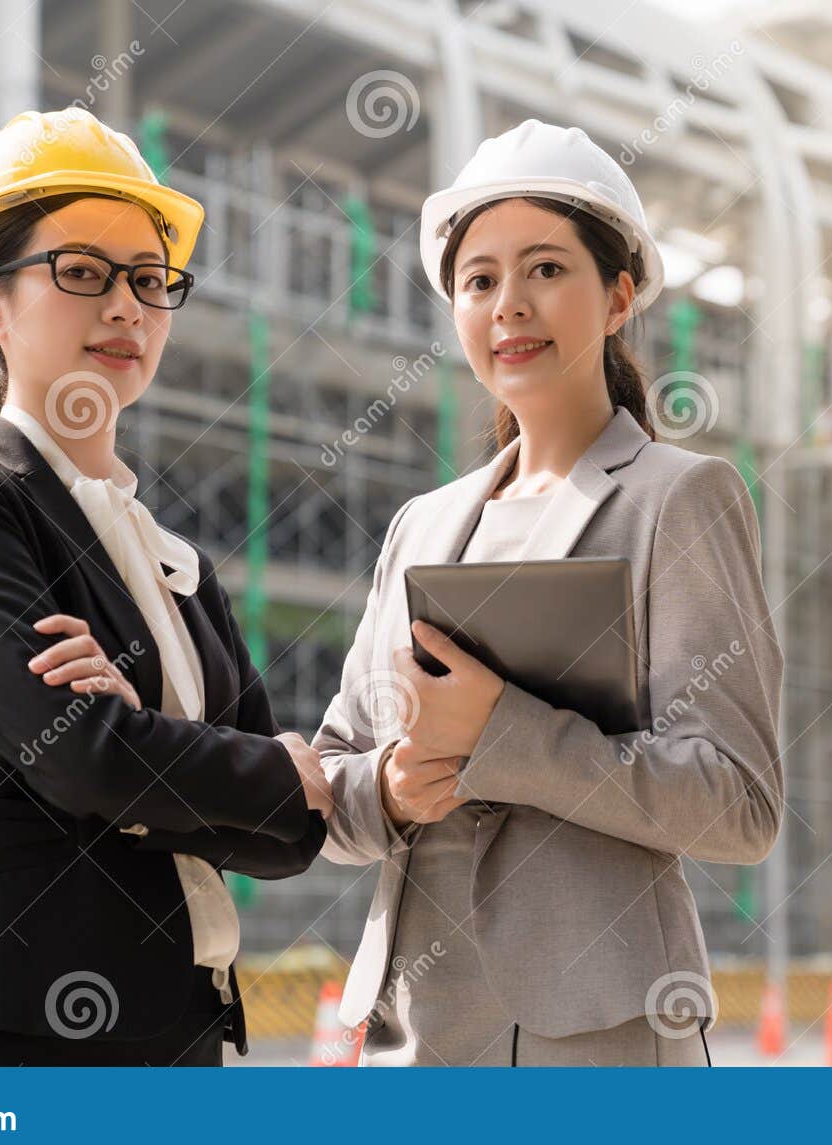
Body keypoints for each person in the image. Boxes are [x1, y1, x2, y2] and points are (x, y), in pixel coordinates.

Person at [314, 119, 784, 1065]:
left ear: (617, 297)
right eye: (479, 280)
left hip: (592, 1041)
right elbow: (335, 787)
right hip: (412, 1038)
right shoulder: (421, 526)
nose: (509, 305)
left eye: (546, 270)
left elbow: (739, 805)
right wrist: (398, 789)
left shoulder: (676, 498)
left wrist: (502, 735)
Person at [0, 109, 332, 1066]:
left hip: (183, 1035)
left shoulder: (175, 563)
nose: (126, 306)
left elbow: (286, 836)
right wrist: (215, 765)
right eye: (81, 272)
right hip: (16, 1040)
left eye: (149, 279)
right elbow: (81, 755)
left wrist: (145, 749)